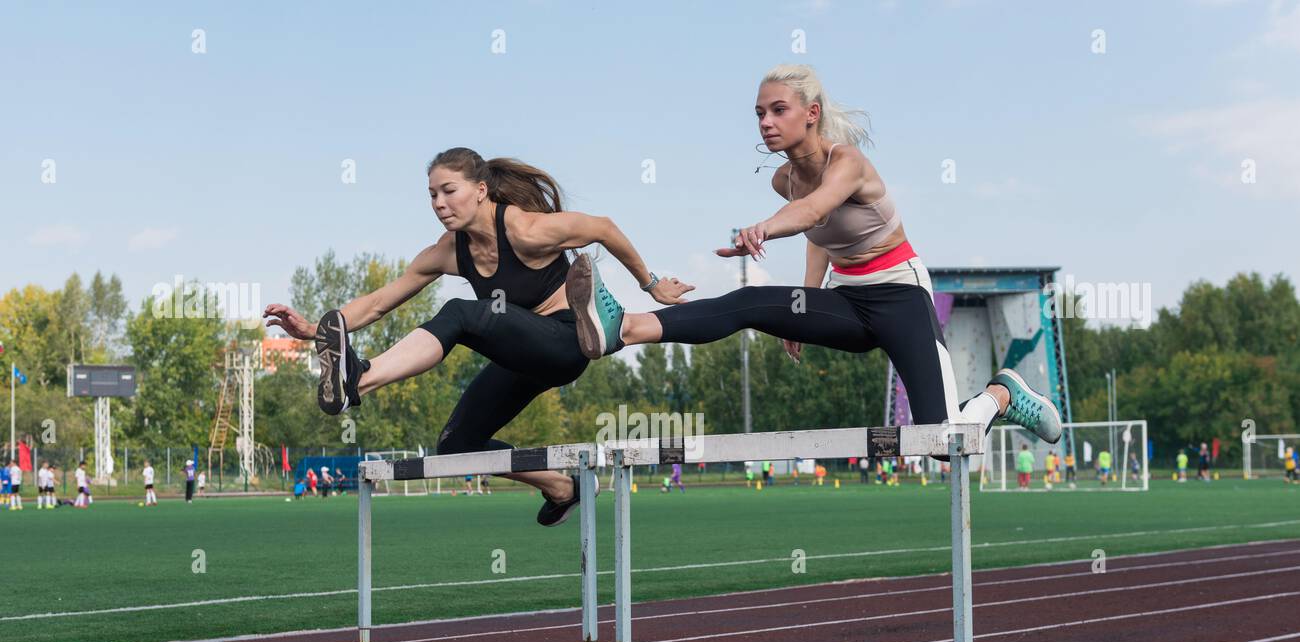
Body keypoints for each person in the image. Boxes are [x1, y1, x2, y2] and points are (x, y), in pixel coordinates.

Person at [565, 63, 1062, 450]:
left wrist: (763, 228)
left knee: (943, 440)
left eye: (778, 110)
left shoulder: (846, 162)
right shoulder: (784, 178)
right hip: (848, 300)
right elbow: (819, 233)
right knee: (751, 302)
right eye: (759, 113)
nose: (765, 122)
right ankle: (625, 328)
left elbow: (815, 210)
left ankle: (1002, 394)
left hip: (900, 297)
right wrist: (801, 307)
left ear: (812, 113)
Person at [264, 148, 691, 528]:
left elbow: (604, 227)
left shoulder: (524, 228)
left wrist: (650, 284)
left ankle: (357, 380)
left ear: (481, 190)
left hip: (566, 341)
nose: (438, 203)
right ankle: (564, 488)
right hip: (521, 354)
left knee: (461, 314)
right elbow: (379, 302)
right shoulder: (448, 251)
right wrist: (315, 329)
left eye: (448, 191)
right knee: (455, 446)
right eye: (431, 195)